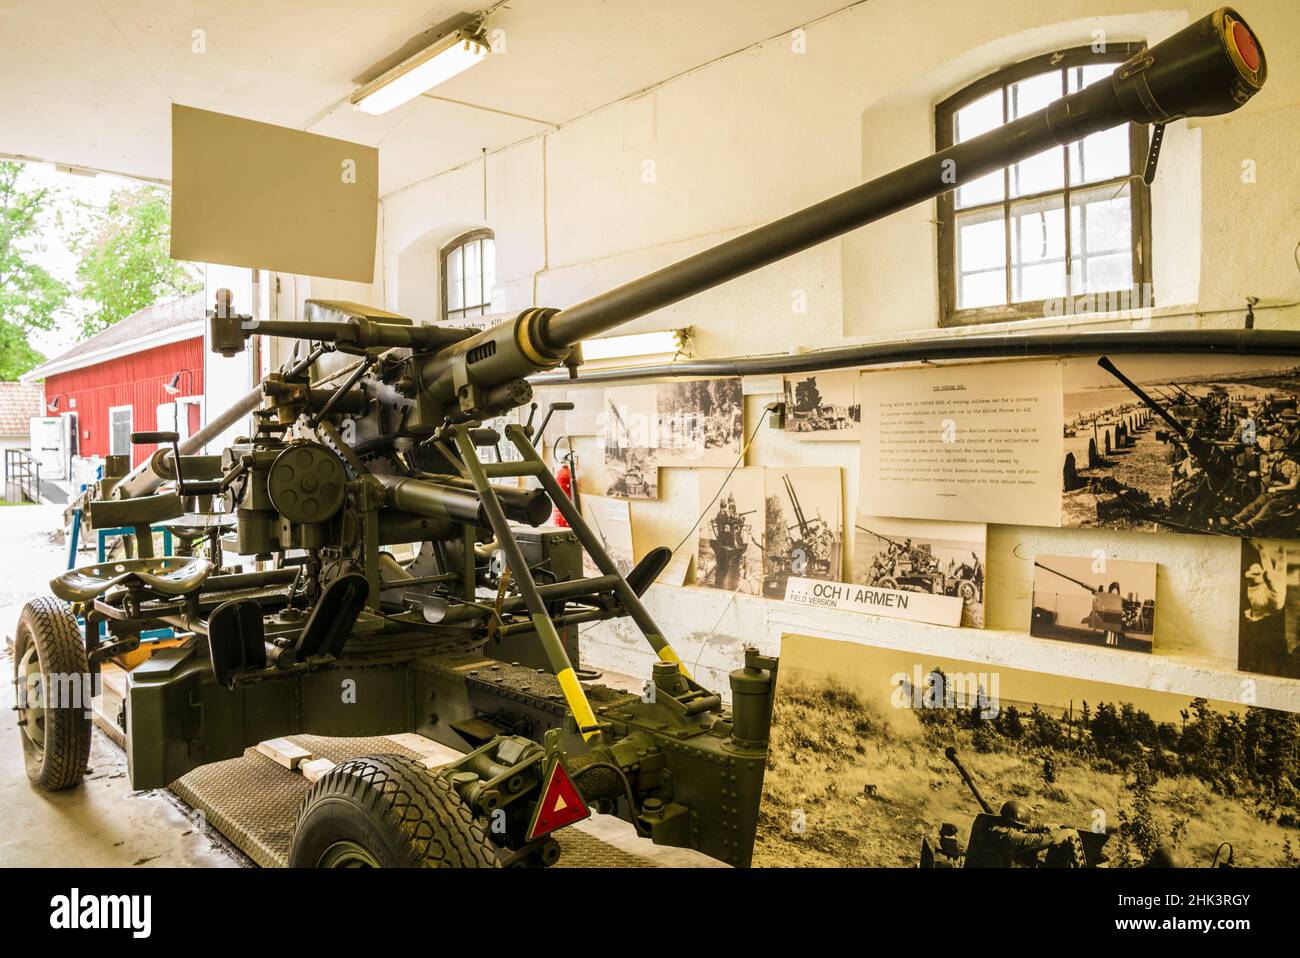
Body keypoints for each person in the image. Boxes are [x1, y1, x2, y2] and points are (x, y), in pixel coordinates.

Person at [1232, 449, 1300, 534]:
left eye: (1276, 452)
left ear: (1283, 452)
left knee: (1269, 506)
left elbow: (1293, 486)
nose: (1274, 455)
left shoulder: (1293, 465)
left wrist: (1277, 489)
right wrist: (1257, 473)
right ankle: (1236, 519)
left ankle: (1250, 525)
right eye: (1272, 452)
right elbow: (1265, 472)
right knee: (1257, 502)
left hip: (1287, 496)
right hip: (1272, 492)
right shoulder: (1274, 463)